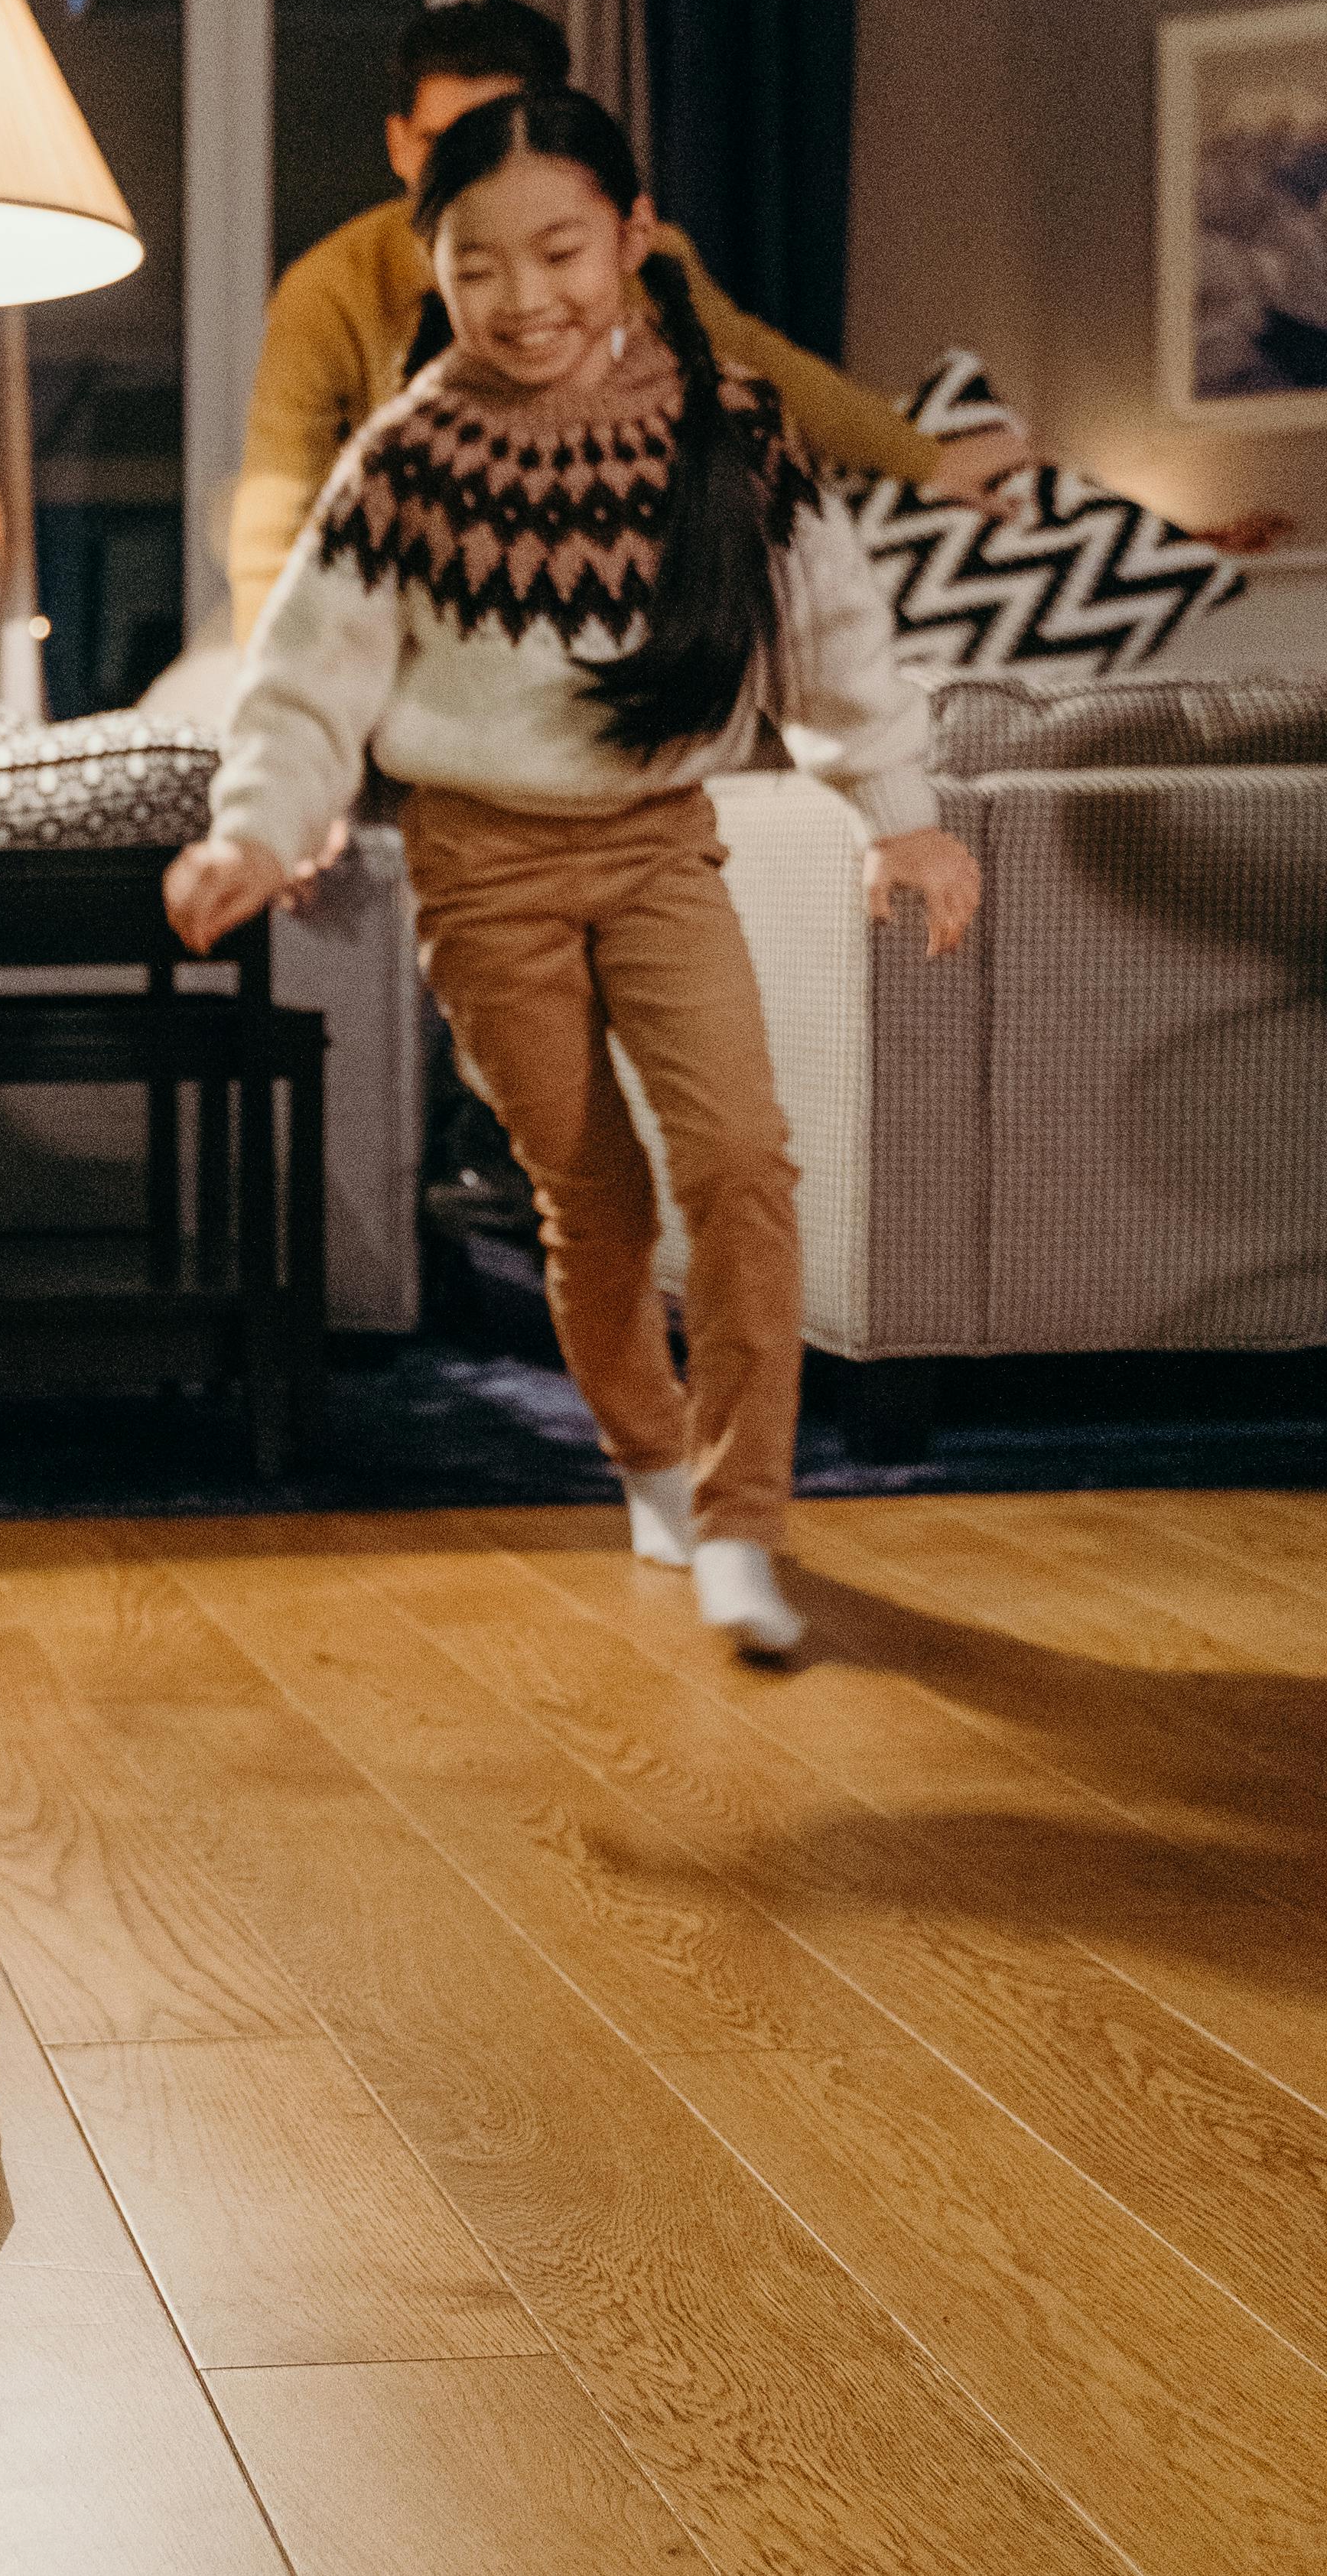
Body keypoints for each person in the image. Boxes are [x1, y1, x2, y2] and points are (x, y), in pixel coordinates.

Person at [168, 86, 980, 1659]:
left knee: (739, 1156)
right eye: (479, 267)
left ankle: (743, 1524)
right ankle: (648, 1462)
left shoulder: (728, 426)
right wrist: (252, 834)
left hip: (662, 846)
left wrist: (903, 814)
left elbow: (829, 640)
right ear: (431, 272)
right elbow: (306, 679)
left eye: (558, 251)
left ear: (628, 238)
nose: (523, 298)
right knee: (590, 1194)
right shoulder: (406, 459)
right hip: (478, 871)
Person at [226, 0, 1032, 640]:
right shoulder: (329, 294)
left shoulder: (647, 266)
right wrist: (273, 705)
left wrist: (926, 462)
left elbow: (766, 370)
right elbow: (276, 509)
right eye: (446, 146)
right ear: (401, 147)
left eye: (497, 141)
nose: (523, 300)